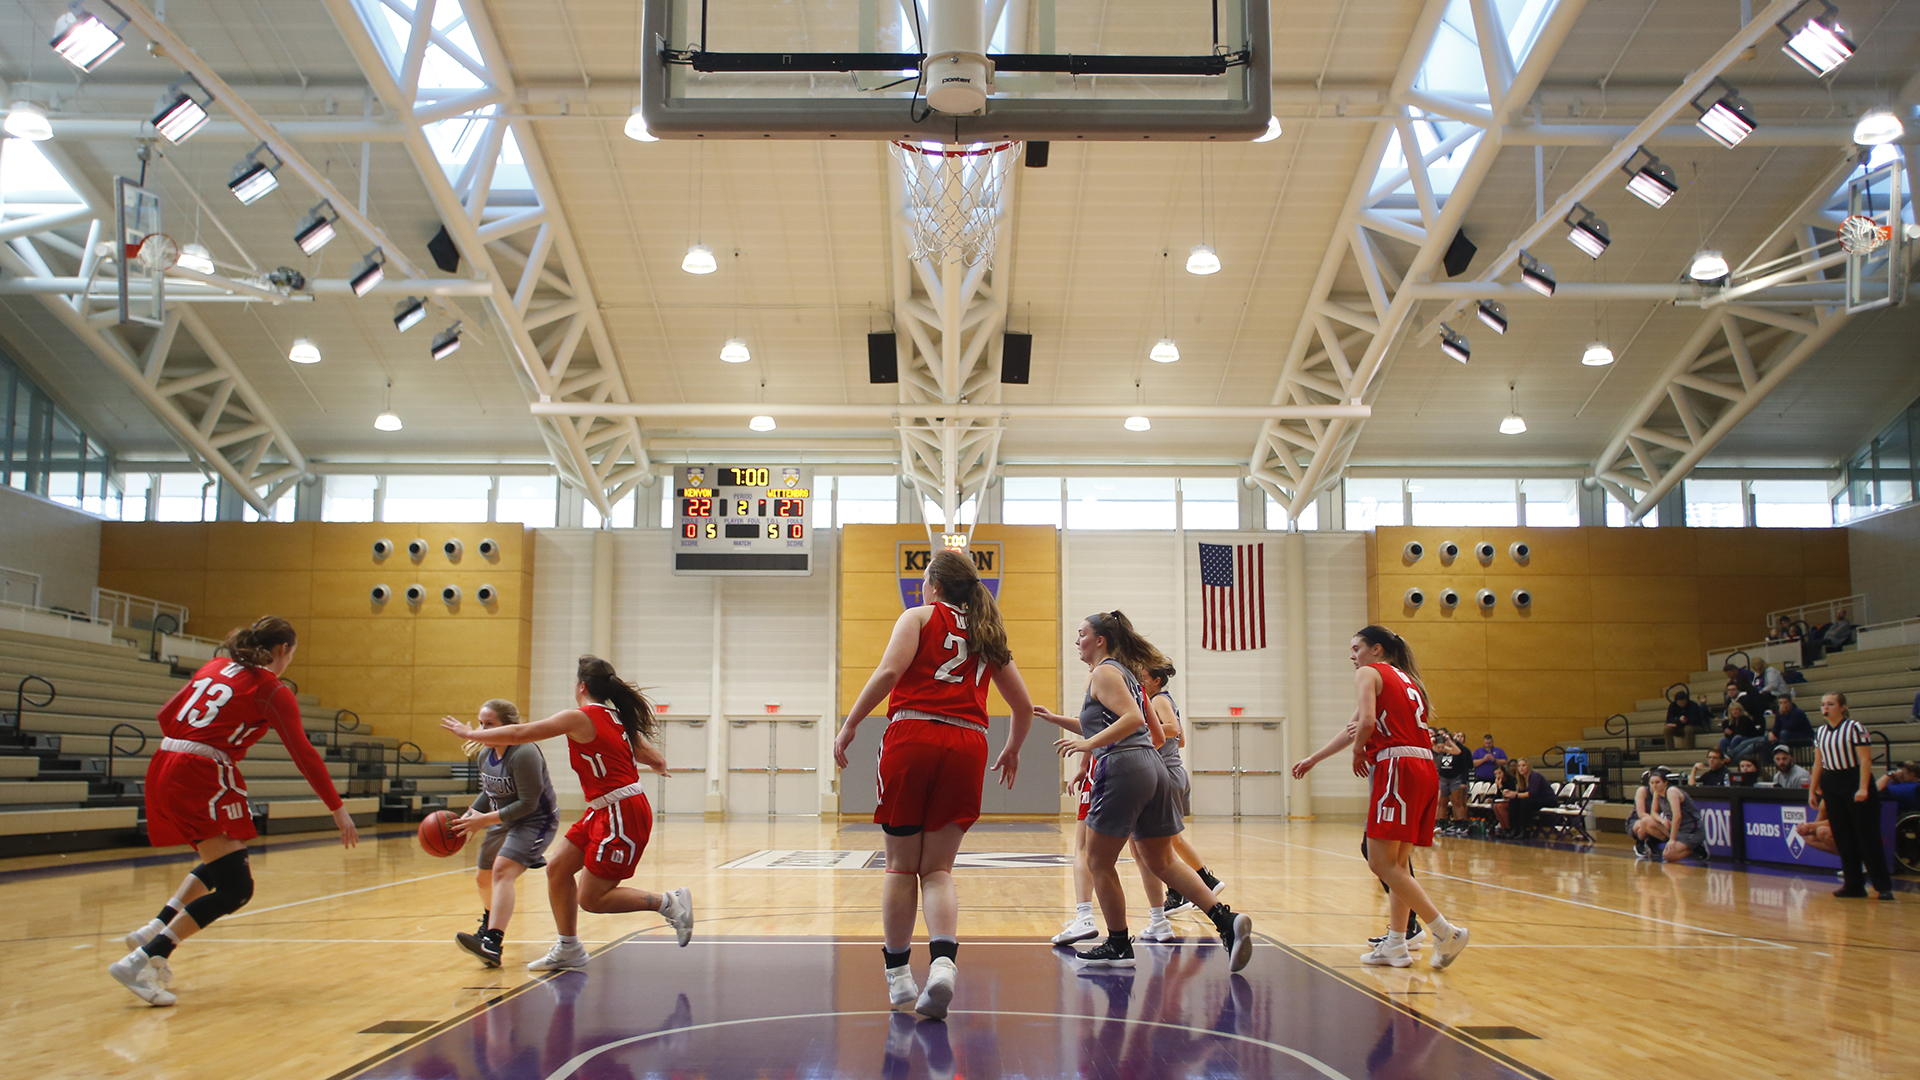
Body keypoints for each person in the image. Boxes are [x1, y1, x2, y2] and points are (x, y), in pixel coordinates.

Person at [112, 617, 358, 1007]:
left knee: (225, 857)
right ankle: (144, 959)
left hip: (165, 761)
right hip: (200, 771)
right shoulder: (271, 690)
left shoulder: (214, 666)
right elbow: (304, 754)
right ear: (283, 650)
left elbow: (165, 715)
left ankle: (155, 928)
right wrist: (338, 809)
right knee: (237, 889)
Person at [831, 548, 1035, 1019]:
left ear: (935, 585)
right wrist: (1012, 749)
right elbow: (1023, 707)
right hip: (968, 744)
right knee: (939, 870)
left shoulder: (918, 617)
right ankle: (943, 963)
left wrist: (850, 724)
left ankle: (899, 975)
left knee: (901, 867)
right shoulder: (987, 632)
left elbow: (889, 672)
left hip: (914, 735)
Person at [442, 655, 695, 972]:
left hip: (621, 811)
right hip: (604, 808)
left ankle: (669, 903)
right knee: (558, 868)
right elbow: (650, 755)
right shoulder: (615, 717)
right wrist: (657, 763)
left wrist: (471, 735)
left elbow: (519, 734)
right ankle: (569, 947)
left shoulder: (579, 717)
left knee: (592, 899)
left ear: (582, 686)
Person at [1039, 611, 1251, 971]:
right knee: (1162, 860)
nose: (1077, 641)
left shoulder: (1104, 672)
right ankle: (1225, 919)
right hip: (1151, 767)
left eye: (1082, 634)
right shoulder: (1130, 678)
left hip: (1122, 767)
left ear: (1100, 640)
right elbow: (1153, 734)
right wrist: (1056, 720)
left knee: (1097, 861)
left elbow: (1132, 720)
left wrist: (1091, 745)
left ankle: (1118, 943)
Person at [1292, 625, 1469, 971]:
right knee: (1399, 865)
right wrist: (1315, 758)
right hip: (1424, 768)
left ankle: (1444, 931)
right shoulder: (1408, 680)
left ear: (1376, 650)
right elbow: (1355, 727)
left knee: (1380, 862)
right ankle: (1396, 944)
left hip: (1398, 766)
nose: (1352, 656)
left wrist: (1360, 751)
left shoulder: (1369, 673)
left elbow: (1366, 724)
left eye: (1356, 648)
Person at [450, 698, 560, 967]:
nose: (483, 730)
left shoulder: (524, 753)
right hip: (502, 819)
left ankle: (492, 942)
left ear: (508, 726)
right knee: (483, 878)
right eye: (480, 724)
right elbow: (489, 793)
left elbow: (528, 804)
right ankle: (488, 926)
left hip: (535, 821)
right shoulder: (484, 755)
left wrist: (484, 821)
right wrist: (469, 817)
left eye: (489, 724)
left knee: (502, 871)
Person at [1137, 664, 1226, 931]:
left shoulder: (1159, 700)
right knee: (1172, 838)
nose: (1140, 680)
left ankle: (1186, 889)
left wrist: (1139, 728)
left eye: (1144, 676)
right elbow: (1182, 740)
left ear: (1156, 680)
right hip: (1173, 771)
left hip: (1167, 773)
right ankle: (1202, 882)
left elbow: (1173, 728)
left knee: (1162, 841)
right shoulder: (1163, 701)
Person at [1809, 692, 1893, 900]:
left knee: (1867, 836)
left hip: (1854, 780)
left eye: (1830, 704)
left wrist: (1863, 788)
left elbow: (1865, 760)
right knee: (1843, 837)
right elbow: (1818, 763)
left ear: (1843, 707)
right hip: (1832, 782)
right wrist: (1812, 789)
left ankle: (1883, 886)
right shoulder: (1820, 732)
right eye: (1823, 704)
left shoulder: (1855, 728)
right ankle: (1853, 885)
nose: (1825, 708)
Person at [1627, 767, 1708, 862]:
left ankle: (1696, 846)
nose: (1655, 785)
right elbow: (1653, 813)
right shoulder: (1657, 792)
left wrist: (1672, 839)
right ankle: (1651, 843)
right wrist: (1663, 821)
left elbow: (1677, 817)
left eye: (1657, 782)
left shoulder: (1671, 792)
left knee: (1668, 855)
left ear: (1665, 783)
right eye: (1652, 783)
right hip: (1677, 829)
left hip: (1691, 829)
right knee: (1646, 822)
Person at [1493, 758, 1555, 836]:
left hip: (1547, 800)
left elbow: (1532, 793)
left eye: (1523, 765)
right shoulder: (1522, 779)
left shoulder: (1534, 776)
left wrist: (1516, 795)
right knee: (1514, 801)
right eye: (1519, 766)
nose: (1521, 768)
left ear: (1528, 767)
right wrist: (1511, 793)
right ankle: (1514, 828)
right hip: (1535, 800)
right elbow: (1521, 792)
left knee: (1525, 801)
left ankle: (1525, 829)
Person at [1433, 731, 1473, 834]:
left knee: (1457, 802)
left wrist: (1451, 741)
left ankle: (1460, 824)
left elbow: (1459, 753)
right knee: (1442, 803)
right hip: (1443, 778)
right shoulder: (1438, 749)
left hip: (1455, 778)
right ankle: (1440, 824)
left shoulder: (1454, 750)